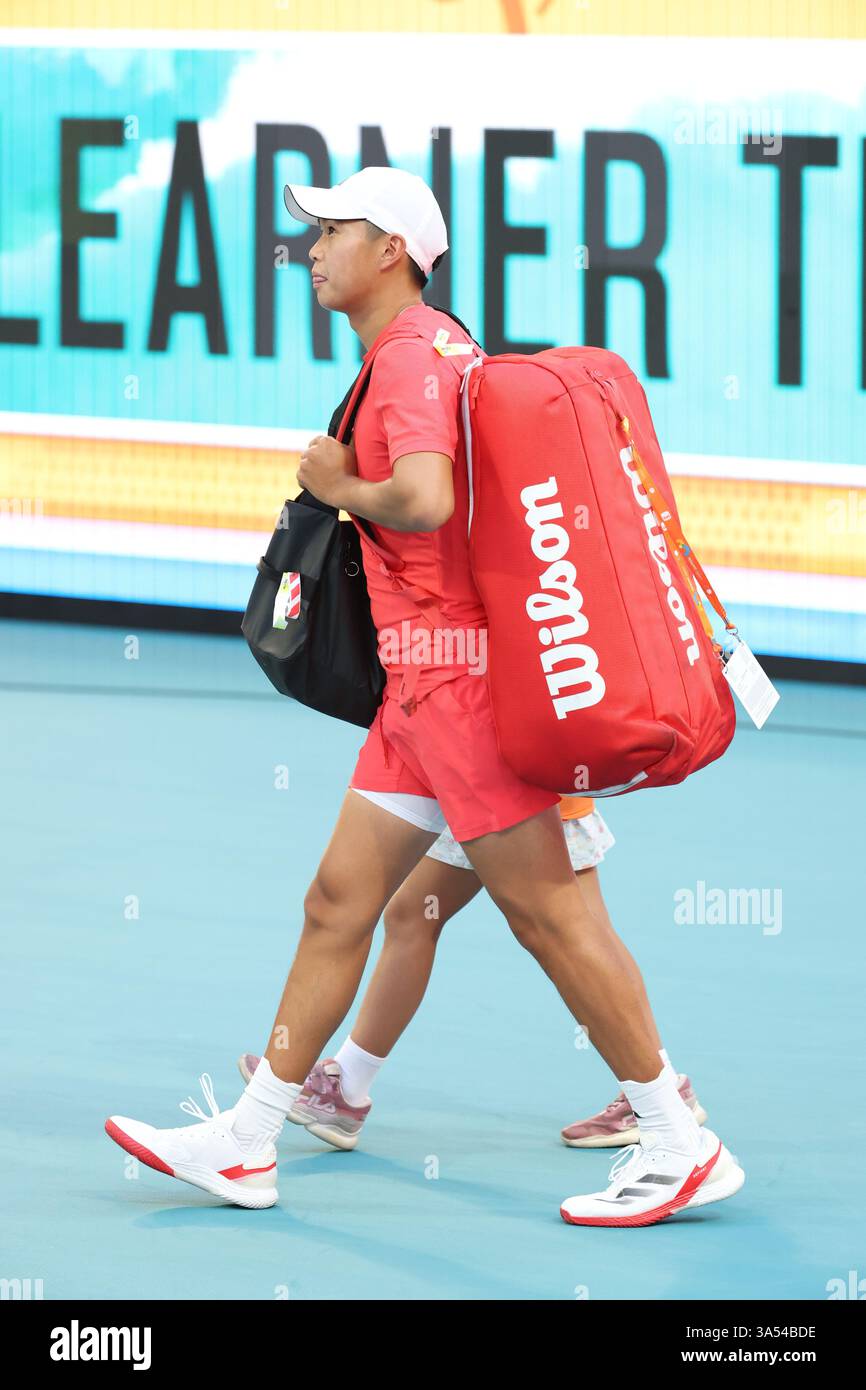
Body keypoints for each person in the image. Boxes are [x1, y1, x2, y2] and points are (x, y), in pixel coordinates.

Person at [105, 166, 743, 1225]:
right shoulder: (442, 344)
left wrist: (333, 486)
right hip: (421, 692)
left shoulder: (405, 356)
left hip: (458, 688)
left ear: (390, 249)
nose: (308, 250)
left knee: (552, 917)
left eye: (330, 232)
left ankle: (677, 1141)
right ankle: (249, 1138)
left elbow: (425, 495)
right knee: (338, 904)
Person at [233, 800, 708, 1151]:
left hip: (506, 783)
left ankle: (659, 1096)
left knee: (431, 919)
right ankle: (661, 1091)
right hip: (527, 777)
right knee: (423, 917)